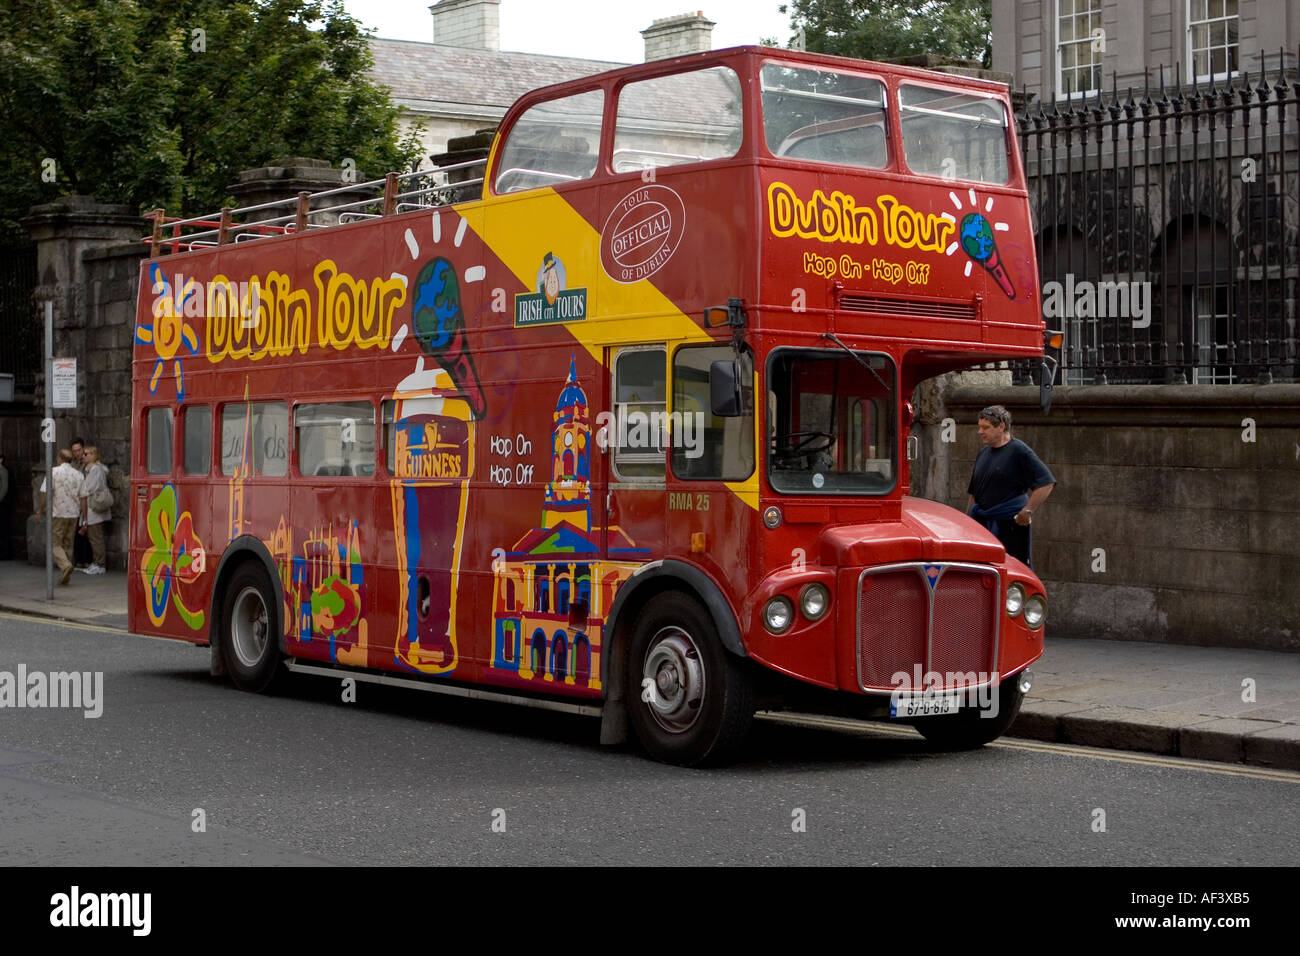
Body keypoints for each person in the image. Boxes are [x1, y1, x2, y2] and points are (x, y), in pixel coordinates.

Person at [966, 405, 1055, 568]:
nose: (980, 432)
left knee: (1012, 572)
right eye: (979, 427)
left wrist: (1027, 511)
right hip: (982, 525)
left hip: (1010, 525)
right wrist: (967, 523)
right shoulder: (983, 453)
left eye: (985, 427)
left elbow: (1046, 483)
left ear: (1001, 427)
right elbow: (974, 493)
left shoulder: (1019, 451)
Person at [36, 449, 84, 585]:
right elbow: (84, 497)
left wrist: (40, 510)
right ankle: (65, 576)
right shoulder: (78, 474)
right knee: (68, 544)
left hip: (58, 513)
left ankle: (65, 566)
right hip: (74, 513)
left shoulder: (52, 472)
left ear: (59, 459)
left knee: (54, 543)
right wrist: (84, 517)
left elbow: (46, 494)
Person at [78, 445, 110, 574]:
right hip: (92, 506)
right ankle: (96, 562)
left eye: (86, 454)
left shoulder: (95, 470)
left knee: (96, 537)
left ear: (93, 455)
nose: (84, 456)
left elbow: (88, 487)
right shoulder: (90, 469)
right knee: (93, 536)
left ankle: (100, 564)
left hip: (93, 506)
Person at [0, 452, 11, 560]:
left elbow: (4, 487)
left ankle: (5, 553)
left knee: (3, 529)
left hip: (2, 504)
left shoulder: (3, 471)